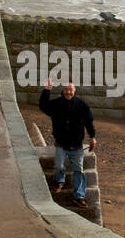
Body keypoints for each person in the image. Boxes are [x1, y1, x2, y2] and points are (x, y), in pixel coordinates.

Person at [39, 76, 96, 207]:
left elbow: (89, 121)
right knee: (58, 166)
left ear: (74, 90)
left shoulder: (82, 105)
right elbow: (43, 106)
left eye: (70, 89)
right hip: (61, 144)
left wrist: (92, 137)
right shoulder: (56, 104)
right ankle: (59, 182)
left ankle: (79, 196)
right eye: (65, 89)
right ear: (62, 90)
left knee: (79, 171)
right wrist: (47, 90)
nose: (68, 92)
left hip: (77, 146)